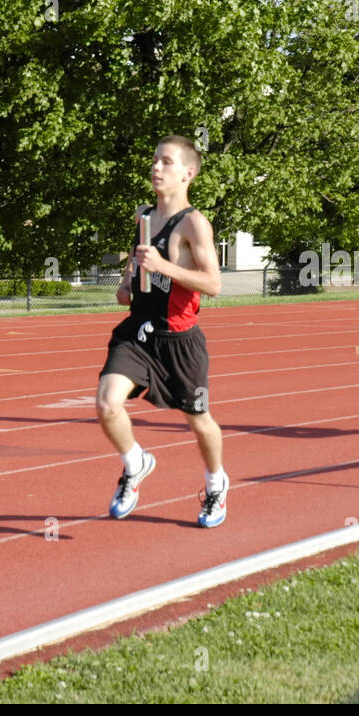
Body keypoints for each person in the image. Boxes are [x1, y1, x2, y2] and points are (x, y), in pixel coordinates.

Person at [96, 135, 230, 527]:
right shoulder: (143, 217)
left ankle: (215, 483)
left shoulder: (193, 223)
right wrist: (125, 284)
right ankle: (135, 463)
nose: (156, 167)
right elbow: (136, 268)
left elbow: (214, 284)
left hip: (180, 341)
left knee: (199, 420)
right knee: (107, 403)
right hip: (138, 333)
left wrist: (164, 267)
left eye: (166, 162)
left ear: (187, 173)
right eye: (155, 160)